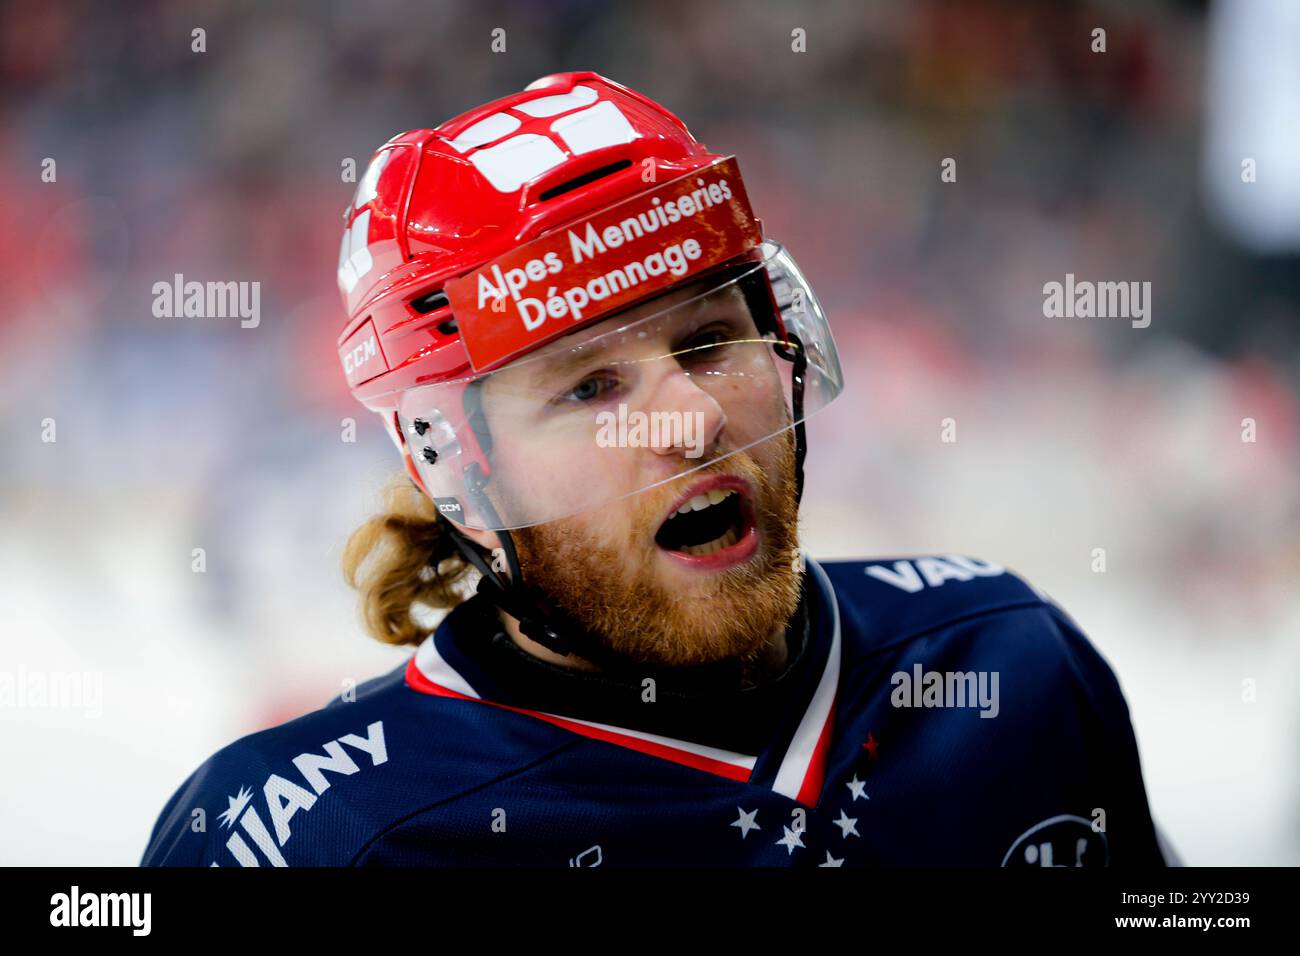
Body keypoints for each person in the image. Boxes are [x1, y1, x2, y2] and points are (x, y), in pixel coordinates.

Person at [141, 72, 1173, 867]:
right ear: (455, 464)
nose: (689, 418)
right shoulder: (312, 838)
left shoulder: (1006, 660)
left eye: (708, 342)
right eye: (589, 388)